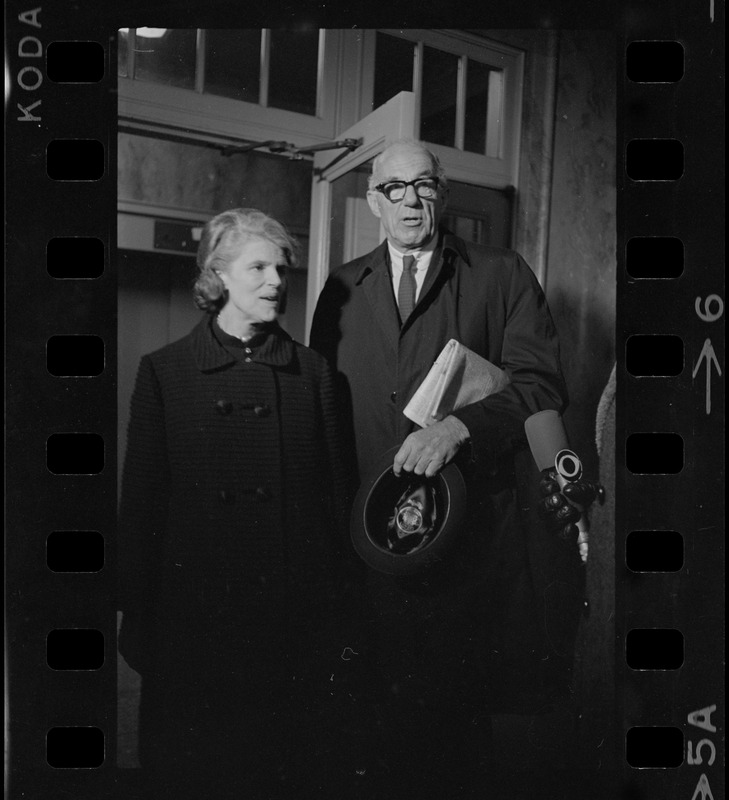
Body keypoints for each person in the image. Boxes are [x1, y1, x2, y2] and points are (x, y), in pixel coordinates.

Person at [310, 139, 596, 798]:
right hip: (367, 534)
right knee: (372, 715)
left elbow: (541, 383)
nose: (410, 201)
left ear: (440, 191)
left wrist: (460, 427)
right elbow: (323, 405)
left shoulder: (499, 274)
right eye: (394, 189)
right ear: (372, 201)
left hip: (464, 535)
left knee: (454, 726)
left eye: (423, 186)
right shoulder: (339, 287)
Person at [118, 208, 356, 800]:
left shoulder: (315, 373)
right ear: (218, 275)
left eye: (281, 267)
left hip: (293, 619)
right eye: (258, 266)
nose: (276, 279)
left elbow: (340, 501)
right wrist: (137, 612)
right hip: (193, 618)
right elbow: (142, 505)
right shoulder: (165, 373)